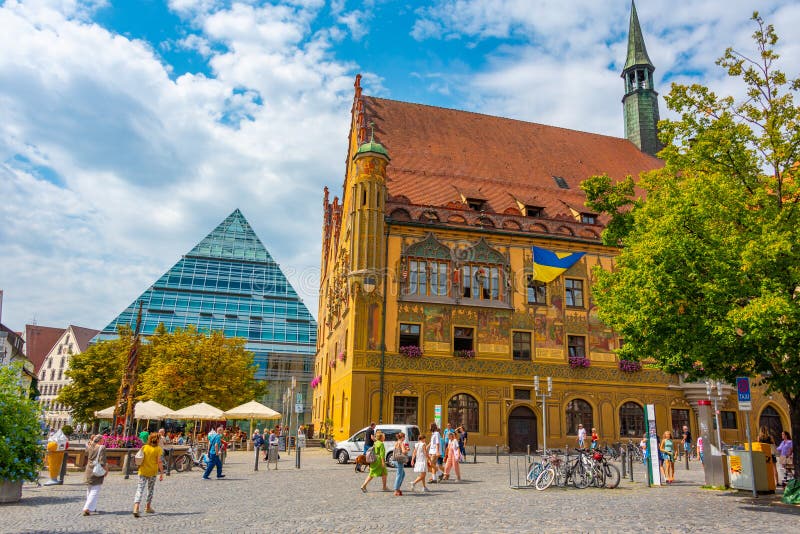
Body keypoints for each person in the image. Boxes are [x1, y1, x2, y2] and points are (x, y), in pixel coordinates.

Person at [133, 433, 164, 517]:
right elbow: (159, 461)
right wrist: (161, 472)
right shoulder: (158, 449)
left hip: (142, 471)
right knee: (150, 490)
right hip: (152, 472)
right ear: (157, 440)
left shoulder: (144, 447)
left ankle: (136, 507)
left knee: (140, 489)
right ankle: (148, 507)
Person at [82, 434, 107, 516]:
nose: (103, 440)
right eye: (102, 439)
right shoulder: (101, 447)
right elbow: (102, 461)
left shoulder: (89, 446)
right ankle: (87, 507)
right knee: (95, 489)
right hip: (97, 469)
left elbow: (86, 454)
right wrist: (106, 470)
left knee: (89, 488)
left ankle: (92, 507)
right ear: (100, 440)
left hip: (89, 469)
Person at [392, 431, 410, 496]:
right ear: (402, 437)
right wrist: (407, 450)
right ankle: (396, 489)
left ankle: (397, 488)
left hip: (395, 459)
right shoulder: (401, 443)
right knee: (400, 474)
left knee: (402, 474)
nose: (404, 438)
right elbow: (403, 451)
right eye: (404, 437)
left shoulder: (397, 442)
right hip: (399, 460)